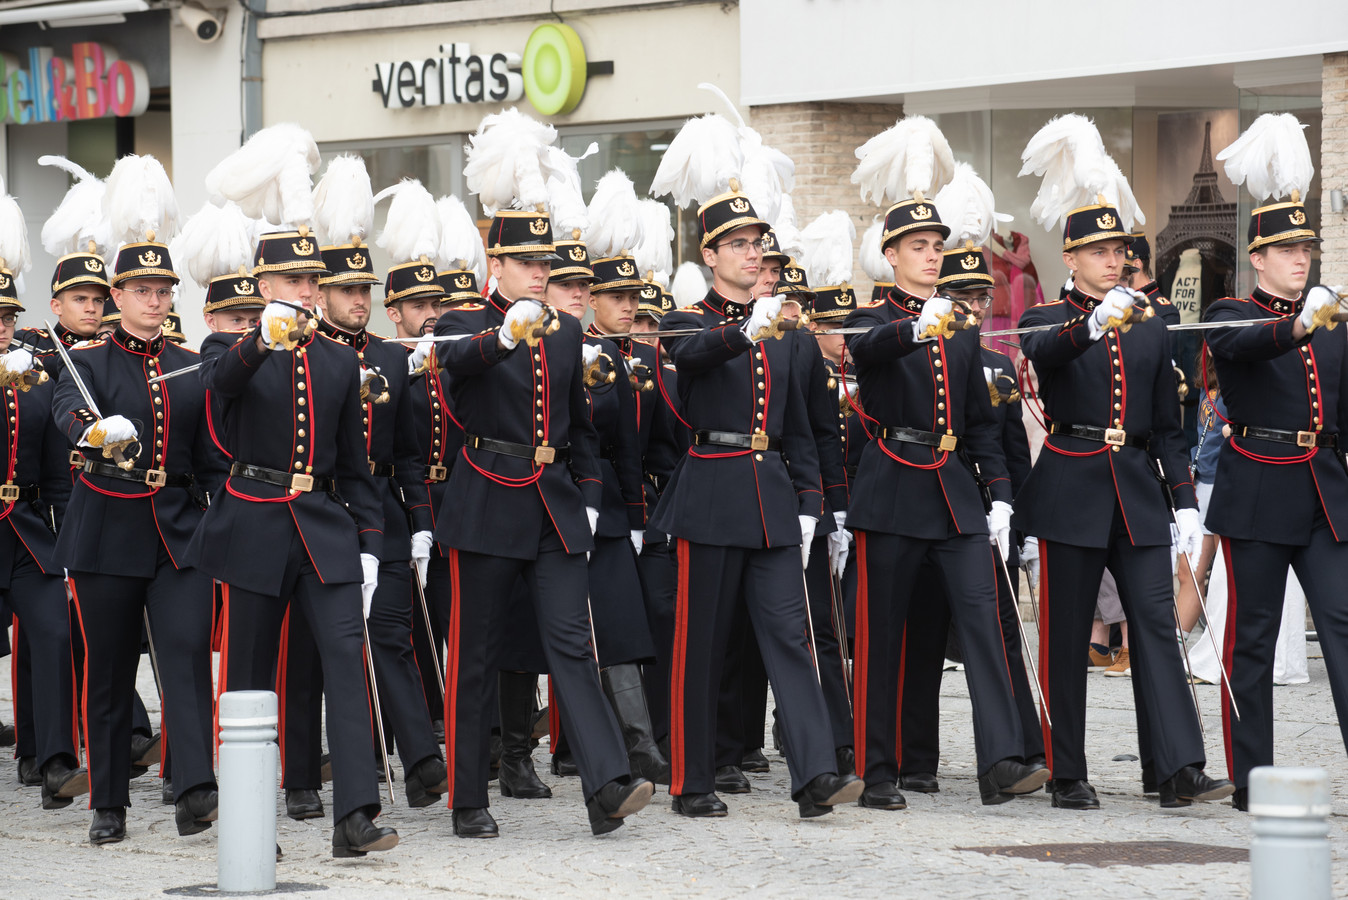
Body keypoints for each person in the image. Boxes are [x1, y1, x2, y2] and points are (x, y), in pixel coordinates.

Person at [433, 112, 653, 839]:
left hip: (554, 506)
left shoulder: (566, 332)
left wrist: (589, 498)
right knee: (475, 654)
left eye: (546, 261)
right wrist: (499, 336)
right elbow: (454, 380)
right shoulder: (465, 321)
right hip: (486, 499)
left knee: (572, 645)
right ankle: (469, 797)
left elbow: (583, 429)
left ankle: (606, 785)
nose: (540, 271)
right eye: (527, 262)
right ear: (496, 265)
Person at [1015, 113, 1231, 811]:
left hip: (1137, 488)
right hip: (1073, 481)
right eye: (1100, 252)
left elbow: (1168, 420)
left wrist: (1184, 502)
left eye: (1122, 252)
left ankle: (1176, 768)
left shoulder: (1151, 322)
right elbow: (1044, 359)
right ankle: (1067, 770)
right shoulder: (1049, 318)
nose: (1116, 262)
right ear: (1071, 258)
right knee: (1068, 635)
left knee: (1156, 629)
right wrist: (1090, 323)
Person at [650, 140, 861, 817]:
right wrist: (745, 330)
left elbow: (802, 429)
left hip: (770, 497)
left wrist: (809, 504)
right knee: (700, 646)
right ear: (708, 255)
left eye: (756, 243)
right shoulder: (689, 320)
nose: (750, 254)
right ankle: (691, 780)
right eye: (735, 244)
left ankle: (816, 773)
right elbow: (688, 358)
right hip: (711, 488)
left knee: (792, 639)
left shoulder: (792, 336)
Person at [844, 131, 1046, 810]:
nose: (932, 256)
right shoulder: (873, 316)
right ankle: (876, 772)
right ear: (891, 256)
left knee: (987, 623)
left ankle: (1003, 761)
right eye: (919, 248)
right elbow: (866, 355)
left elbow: (982, 419)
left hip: (952, 486)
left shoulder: (961, 326)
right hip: (892, 483)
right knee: (881, 636)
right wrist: (914, 327)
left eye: (937, 247)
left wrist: (998, 495)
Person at [188, 225, 398, 858]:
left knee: (346, 660)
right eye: (293, 281)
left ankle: (355, 815)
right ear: (263, 286)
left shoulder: (338, 359)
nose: (306, 291)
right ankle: (247, 818)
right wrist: (261, 338)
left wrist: (368, 544)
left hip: (320, 525)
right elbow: (220, 392)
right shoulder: (232, 348)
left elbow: (356, 468)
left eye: (312, 281)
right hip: (253, 518)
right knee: (249, 676)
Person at [54, 195, 223, 844]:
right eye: (141, 290)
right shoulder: (86, 362)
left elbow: (210, 456)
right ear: (118, 296)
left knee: (183, 657)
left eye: (162, 291)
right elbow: (69, 414)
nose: (154, 302)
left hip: (179, 532)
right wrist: (96, 431)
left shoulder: (189, 363)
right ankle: (109, 802)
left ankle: (195, 789)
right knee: (110, 669)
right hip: (107, 530)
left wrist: (218, 521)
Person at [1202, 111, 1348, 810]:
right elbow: (1242, 348)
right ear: (1258, 257)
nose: (1300, 258)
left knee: (1344, 627)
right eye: (1286, 250)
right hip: (1258, 487)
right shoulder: (1233, 310)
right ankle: (1249, 778)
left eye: (1306, 249)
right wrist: (1297, 325)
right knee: (1251, 642)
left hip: (1321, 490)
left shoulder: (1333, 319)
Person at [0, 230, 86, 814]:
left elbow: (58, 474)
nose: (3, 327)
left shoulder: (38, 381)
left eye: (8, 317)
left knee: (54, 632)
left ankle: (53, 759)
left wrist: (66, 535)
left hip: (28, 527)